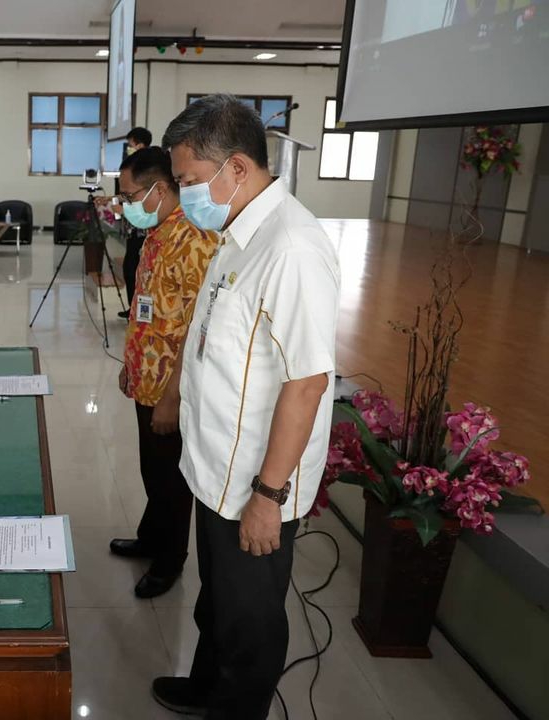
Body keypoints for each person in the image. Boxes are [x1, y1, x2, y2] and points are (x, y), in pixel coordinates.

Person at [149, 94, 340, 719]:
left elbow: (307, 383)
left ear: (236, 167)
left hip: (256, 485)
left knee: (250, 625)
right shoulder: (235, 233)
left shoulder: (292, 249)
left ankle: (235, 707)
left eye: (189, 182)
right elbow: (210, 332)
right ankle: (207, 687)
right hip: (213, 472)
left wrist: (269, 496)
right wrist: (176, 392)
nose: (186, 194)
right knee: (218, 603)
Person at [110, 147, 217, 599]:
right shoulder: (159, 232)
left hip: (171, 387)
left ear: (160, 189)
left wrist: (172, 396)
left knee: (171, 479)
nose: (124, 204)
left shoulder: (194, 239)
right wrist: (130, 363)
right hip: (146, 376)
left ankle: (170, 559)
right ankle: (151, 537)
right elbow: (149, 309)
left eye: (130, 194)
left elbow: (197, 327)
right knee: (152, 468)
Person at [115, 126, 154, 319]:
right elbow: (130, 196)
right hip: (135, 230)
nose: (128, 149)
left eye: (130, 145)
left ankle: (136, 310)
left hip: (143, 230)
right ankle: (133, 308)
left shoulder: (146, 168)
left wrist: (124, 209)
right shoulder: (134, 167)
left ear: (139, 144)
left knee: (134, 270)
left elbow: (142, 200)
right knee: (129, 269)